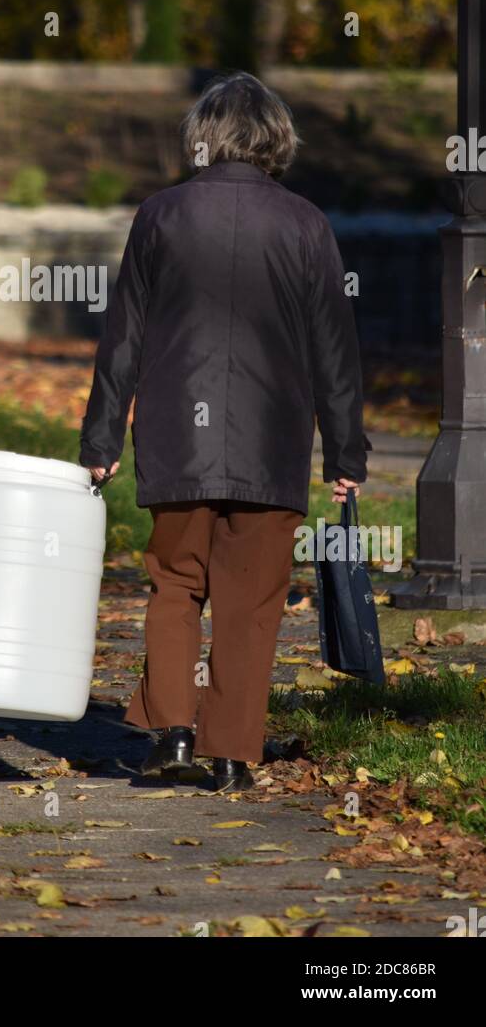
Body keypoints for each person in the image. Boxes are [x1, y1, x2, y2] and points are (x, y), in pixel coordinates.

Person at [80, 71, 369, 794]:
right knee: (252, 601)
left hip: (178, 433)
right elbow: (335, 348)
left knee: (175, 585)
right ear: (276, 139)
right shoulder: (306, 224)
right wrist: (346, 451)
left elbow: (124, 339)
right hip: (271, 439)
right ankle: (235, 754)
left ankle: (174, 732)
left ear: (202, 138)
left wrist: (102, 440)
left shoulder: (160, 215)